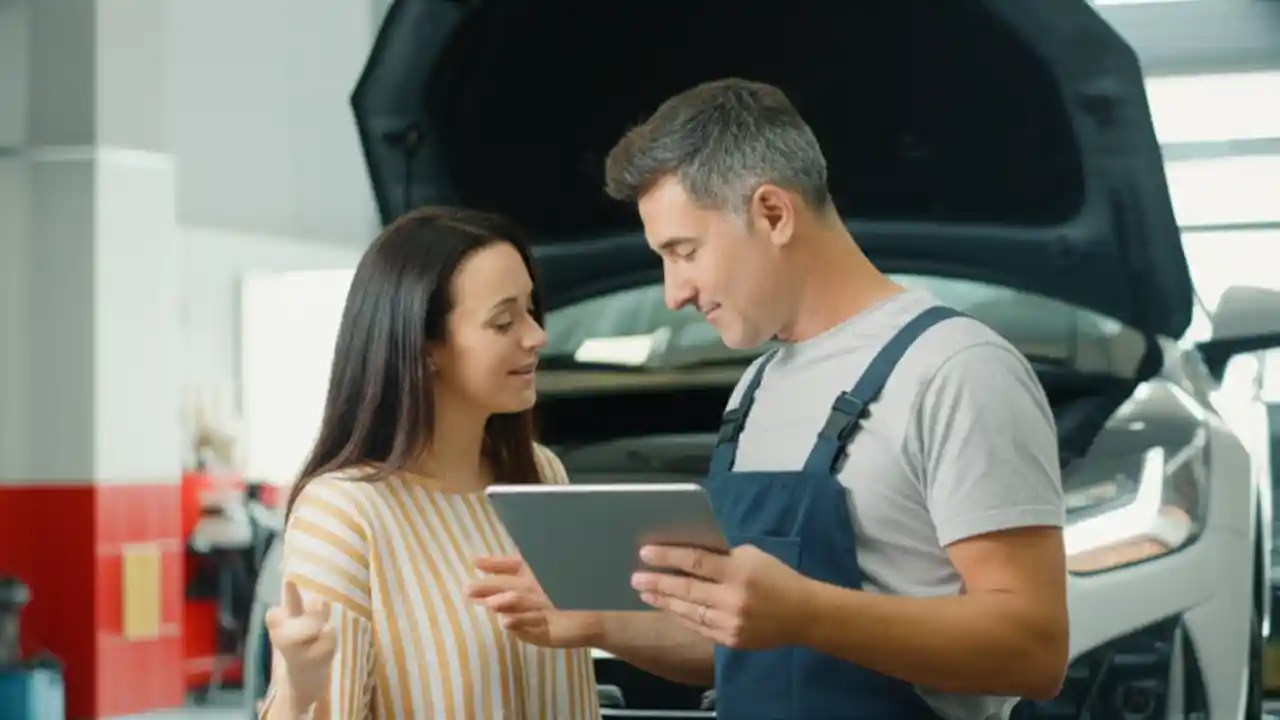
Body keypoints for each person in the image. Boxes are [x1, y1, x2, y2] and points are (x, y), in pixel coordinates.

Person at [469, 78, 1070, 719]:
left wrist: (806, 611)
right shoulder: (755, 389)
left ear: (773, 213)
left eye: (684, 251)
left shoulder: (954, 371)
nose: (674, 292)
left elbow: (1033, 650)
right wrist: (598, 624)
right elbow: (751, 643)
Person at [259, 206, 601, 720]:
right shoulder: (344, 513)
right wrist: (298, 691)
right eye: (503, 321)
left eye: (532, 310)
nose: (536, 336)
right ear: (424, 347)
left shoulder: (541, 474)